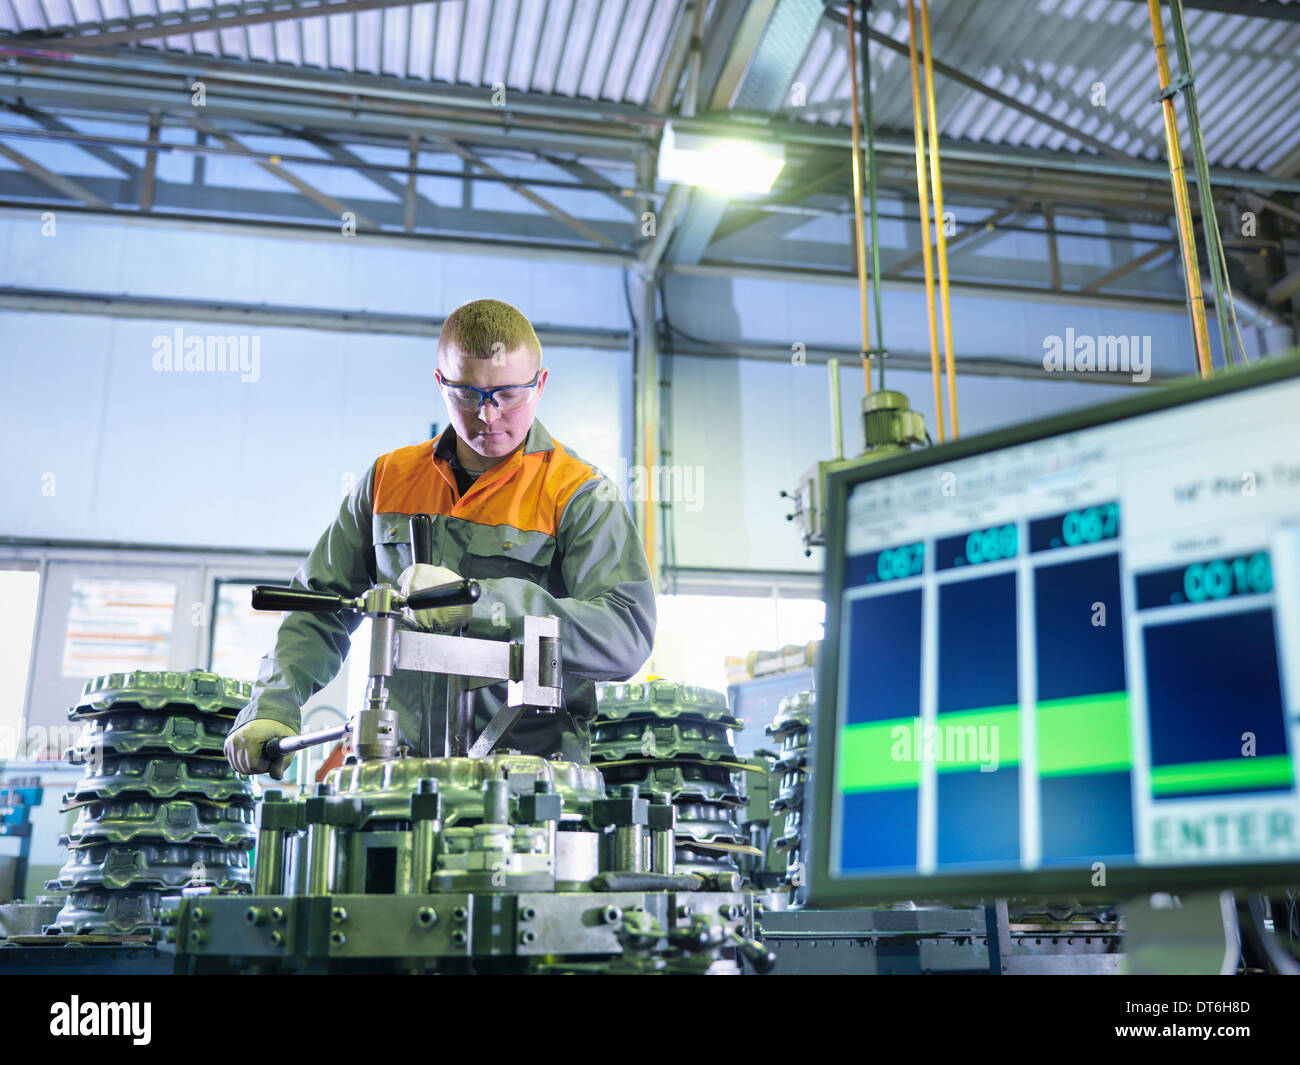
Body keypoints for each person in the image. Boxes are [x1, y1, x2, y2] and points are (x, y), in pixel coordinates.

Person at [224, 298, 656, 777]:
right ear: (440, 383)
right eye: (466, 394)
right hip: (396, 771)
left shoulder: (579, 494)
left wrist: (483, 605)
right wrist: (271, 706)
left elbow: (626, 634)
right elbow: (319, 605)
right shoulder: (389, 479)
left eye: (507, 394)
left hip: (532, 785)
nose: (487, 416)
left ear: (541, 384)